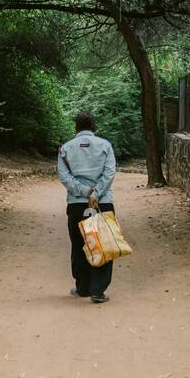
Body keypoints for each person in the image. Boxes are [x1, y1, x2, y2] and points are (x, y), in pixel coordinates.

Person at [56, 111, 117, 303]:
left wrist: (84, 192)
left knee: (79, 244)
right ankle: (97, 291)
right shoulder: (105, 146)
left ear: (76, 127)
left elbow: (64, 177)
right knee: (103, 244)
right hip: (102, 202)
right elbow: (109, 173)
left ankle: (82, 287)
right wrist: (96, 194)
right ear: (94, 126)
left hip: (76, 205)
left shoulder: (65, 149)